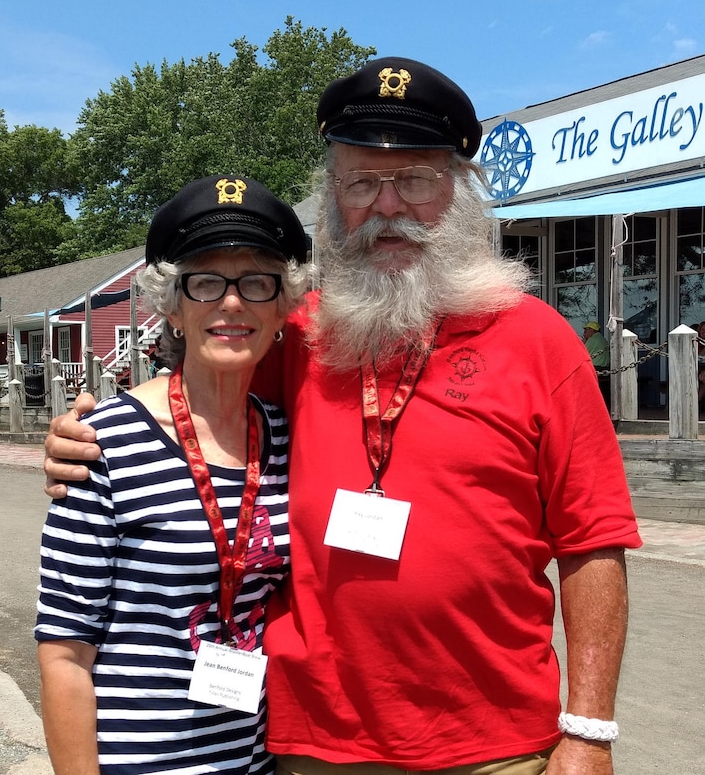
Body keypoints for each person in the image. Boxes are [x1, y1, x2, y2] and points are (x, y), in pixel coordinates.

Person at [44, 57, 641, 775]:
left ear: (459, 192)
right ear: (331, 200)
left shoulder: (539, 340)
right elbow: (196, 396)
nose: (387, 207)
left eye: (414, 179)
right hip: (311, 744)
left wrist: (590, 729)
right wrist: (85, 434)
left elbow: (593, 543)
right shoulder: (294, 333)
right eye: (360, 182)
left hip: (493, 744)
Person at [35, 174, 311, 775]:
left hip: (258, 760)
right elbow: (64, 651)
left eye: (257, 282)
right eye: (206, 281)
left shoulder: (291, 438)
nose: (232, 302)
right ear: (174, 308)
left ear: (283, 308)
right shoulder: (100, 442)